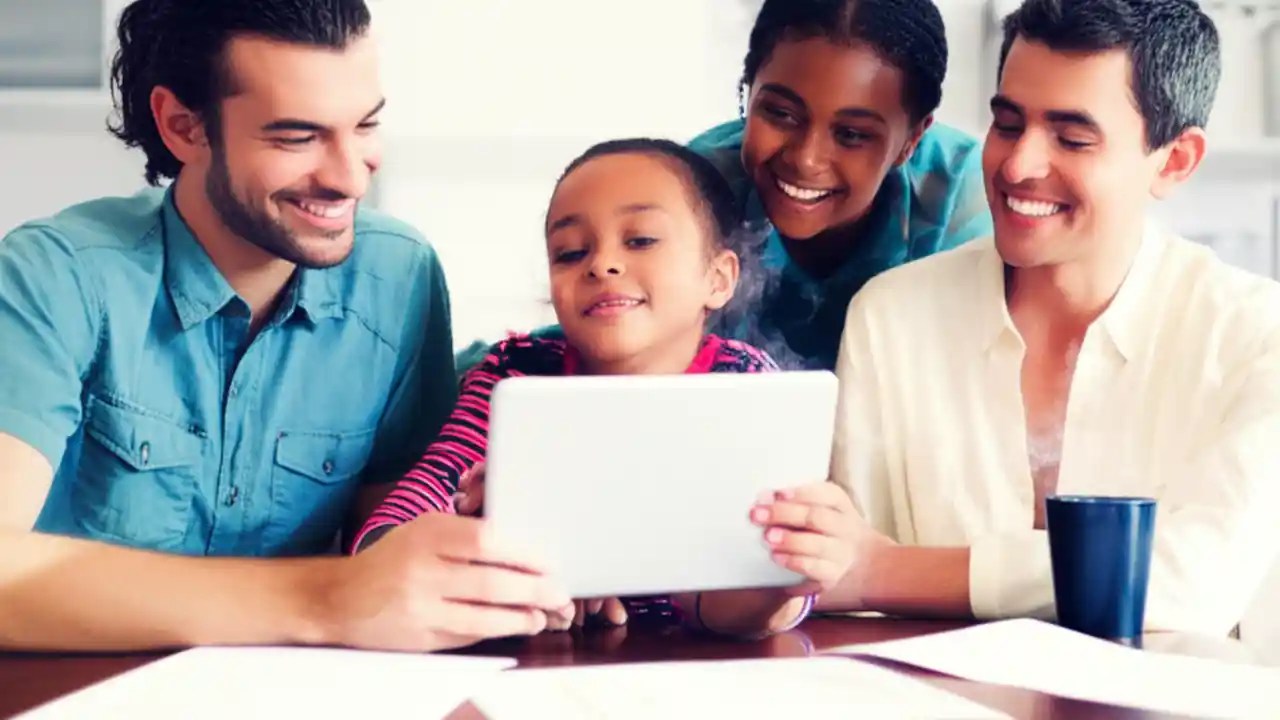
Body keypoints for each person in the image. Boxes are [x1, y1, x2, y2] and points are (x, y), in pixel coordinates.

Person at [0, 0, 568, 652]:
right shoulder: (53, 275)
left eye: (366, 125)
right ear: (183, 127)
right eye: (297, 138)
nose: (350, 176)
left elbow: (393, 531)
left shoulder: (397, 274)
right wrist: (327, 599)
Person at [791, 0, 1280, 635]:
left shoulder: (1254, 333)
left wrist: (888, 571)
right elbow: (839, 578)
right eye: (1008, 124)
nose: (1019, 166)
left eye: (1073, 138)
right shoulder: (894, 318)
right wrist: (861, 570)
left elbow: (1194, 582)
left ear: (1175, 160)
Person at [357, 139, 863, 637]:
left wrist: (792, 568)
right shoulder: (515, 373)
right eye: (570, 252)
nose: (601, 264)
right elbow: (393, 532)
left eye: (640, 240)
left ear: (718, 277)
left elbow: (751, 603)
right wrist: (488, 533)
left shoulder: (749, 387)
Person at [454, 0, 992, 374]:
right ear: (747, 90)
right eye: (779, 112)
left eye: (851, 134)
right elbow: (618, 329)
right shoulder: (698, 186)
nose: (806, 158)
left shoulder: (963, 208)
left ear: (912, 140)